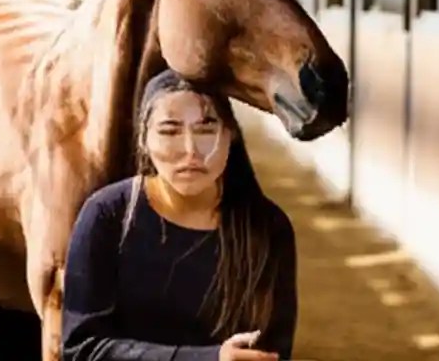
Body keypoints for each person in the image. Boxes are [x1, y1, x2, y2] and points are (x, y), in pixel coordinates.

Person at [61, 69, 298, 361]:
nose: (191, 150)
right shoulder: (108, 216)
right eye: (170, 131)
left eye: (206, 129)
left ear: (231, 135)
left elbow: (273, 351)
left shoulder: (266, 228)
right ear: (144, 139)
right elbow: (81, 349)